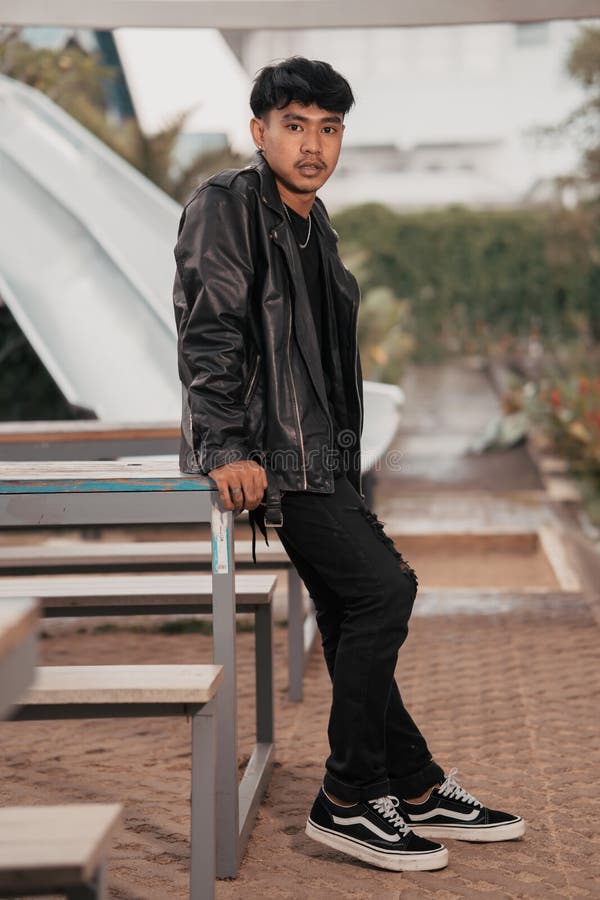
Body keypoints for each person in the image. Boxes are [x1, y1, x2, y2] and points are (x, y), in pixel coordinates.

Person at [172, 56, 524, 873]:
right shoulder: (228, 206)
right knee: (384, 591)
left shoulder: (313, 221)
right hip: (275, 460)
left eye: (329, 129)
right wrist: (224, 444)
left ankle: (414, 781)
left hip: (321, 455)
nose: (313, 144)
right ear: (259, 130)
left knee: (351, 611)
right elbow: (212, 326)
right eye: (294, 126)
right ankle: (349, 797)